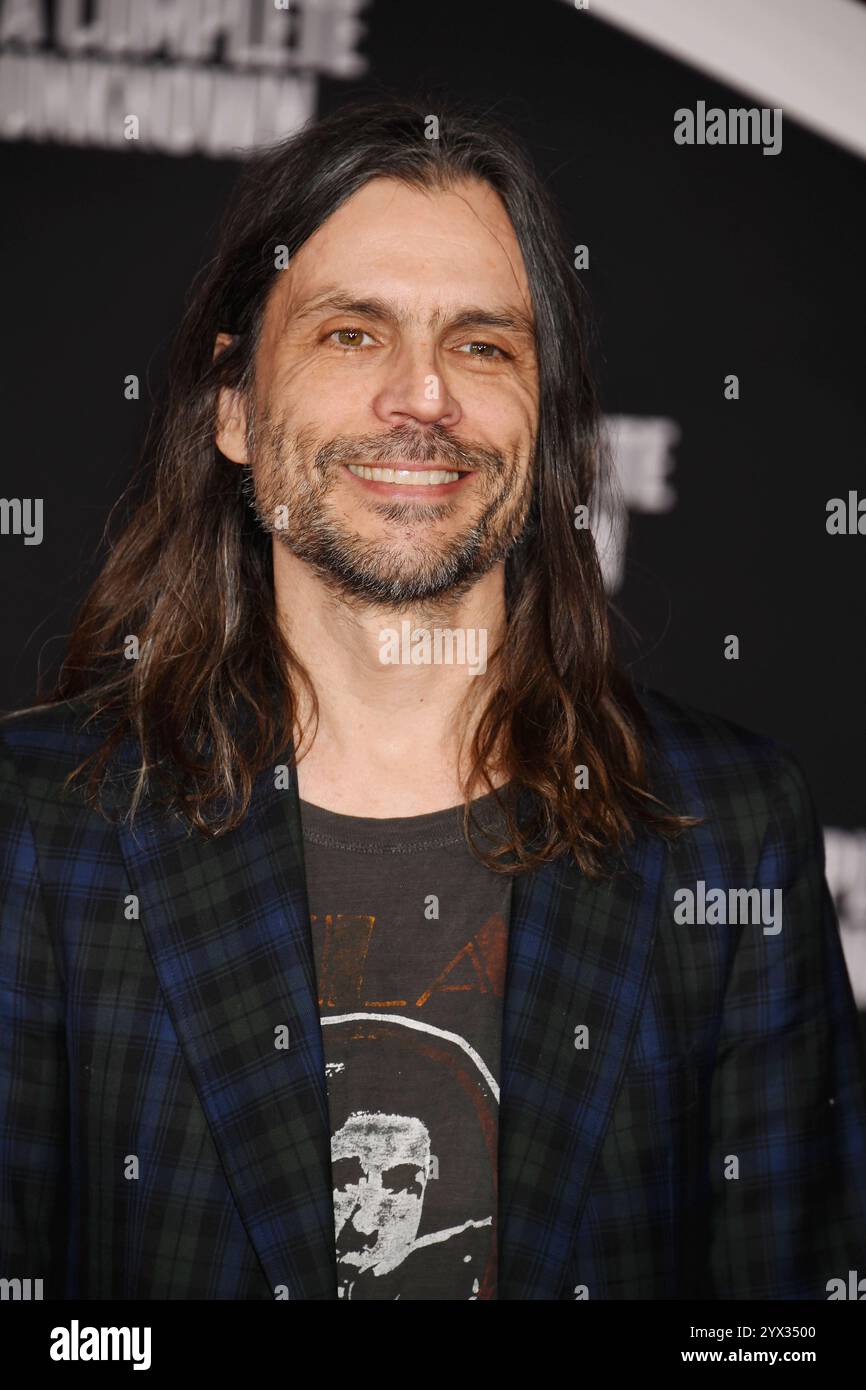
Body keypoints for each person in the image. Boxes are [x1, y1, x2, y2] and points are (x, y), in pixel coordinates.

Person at [1, 96, 864, 1302]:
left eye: (482, 345)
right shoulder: (40, 825)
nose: (423, 398)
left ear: (546, 419)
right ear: (234, 408)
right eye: (351, 336)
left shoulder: (726, 826)